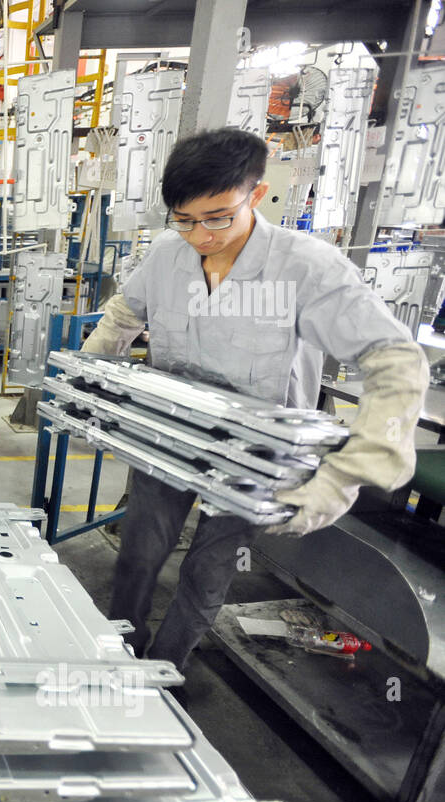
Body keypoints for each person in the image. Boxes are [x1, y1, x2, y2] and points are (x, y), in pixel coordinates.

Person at [83, 127, 428, 672]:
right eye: (184, 219)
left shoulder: (306, 267)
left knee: (207, 572)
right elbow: (125, 314)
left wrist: (343, 477)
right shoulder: (168, 255)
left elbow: (396, 360)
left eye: (218, 217)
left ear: (257, 194)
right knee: (138, 557)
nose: (200, 235)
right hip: (169, 436)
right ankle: (121, 653)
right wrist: (88, 380)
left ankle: (165, 670)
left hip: (254, 458)